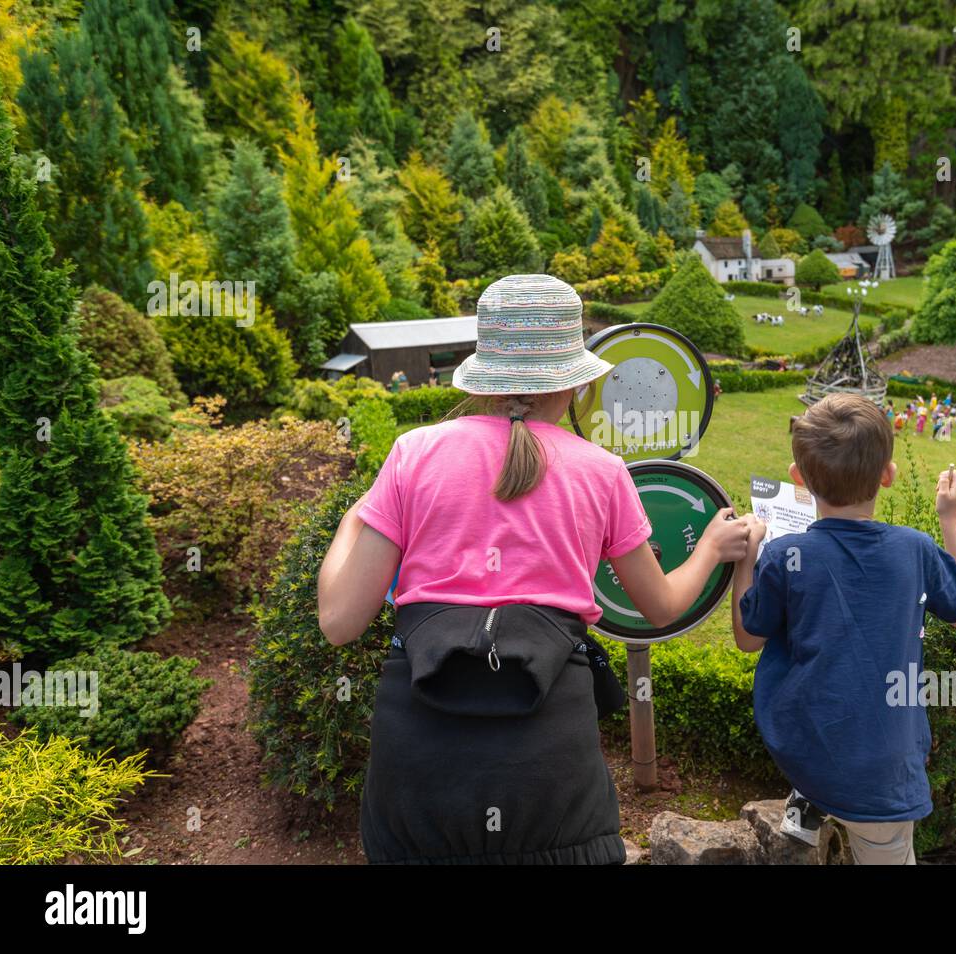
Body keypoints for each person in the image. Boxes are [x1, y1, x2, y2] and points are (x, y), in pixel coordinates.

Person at [316, 274, 751, 865]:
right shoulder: (601, 472)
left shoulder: (413, 453)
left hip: (416, 779)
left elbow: (340, 620)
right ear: (572, 382)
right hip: (549, 771)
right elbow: (663, 607)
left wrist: (353, 521)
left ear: (484, 373)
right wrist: (711, 547)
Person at [730, 393, 956, 864]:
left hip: (810, 745)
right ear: (887, 475)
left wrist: (747, 559)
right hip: (881, 771)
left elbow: (748, 638)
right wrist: (950, 519)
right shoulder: (915, 549)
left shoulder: (786, 557)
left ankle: (812, 795)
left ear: (798, 478)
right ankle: (819, 795)